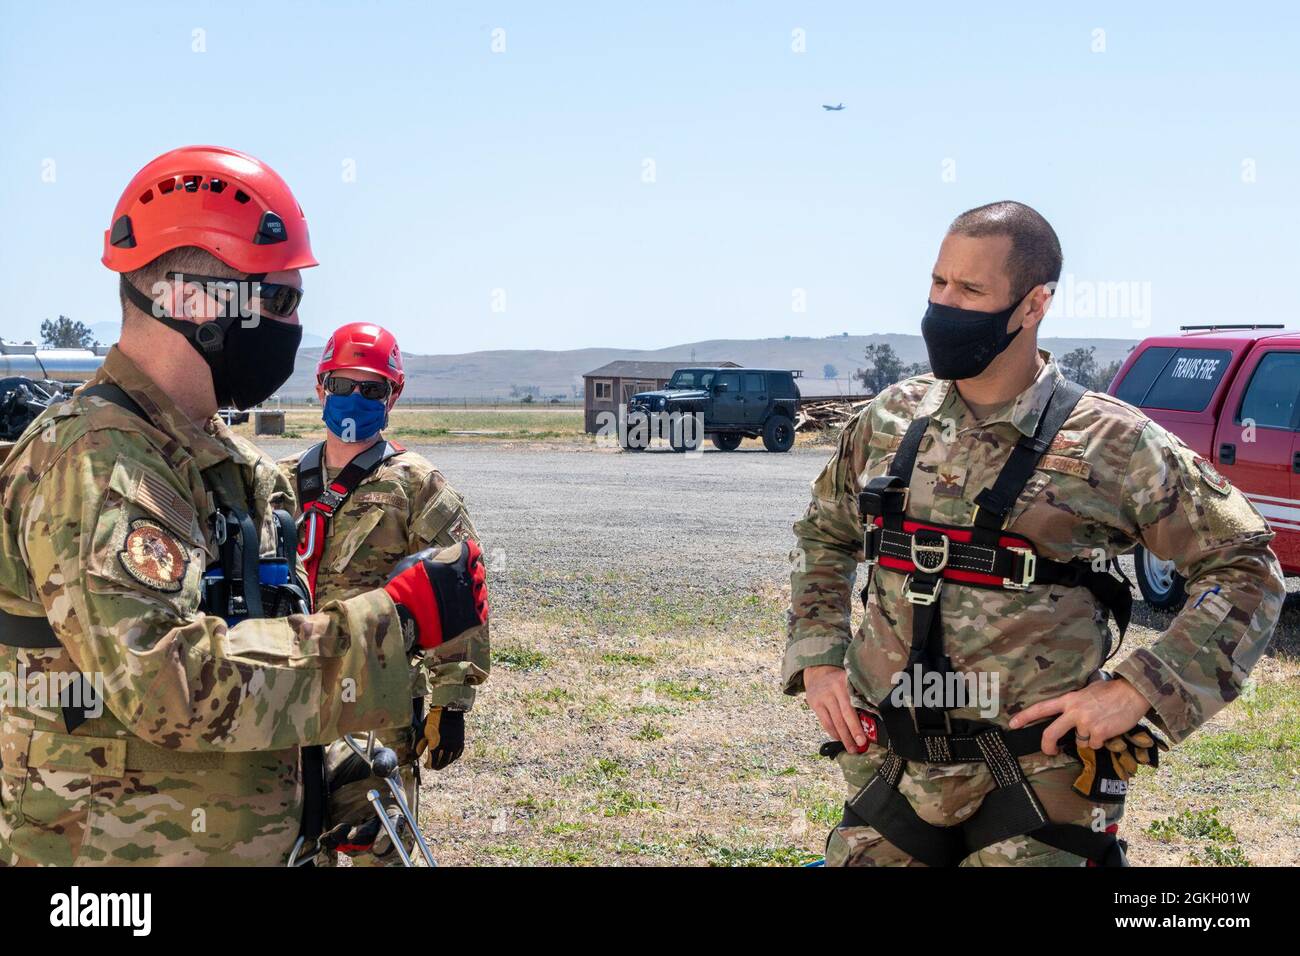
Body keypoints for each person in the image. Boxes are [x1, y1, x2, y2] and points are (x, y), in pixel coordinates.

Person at [0, 146, 487, 866]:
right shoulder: (96, 462)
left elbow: (257, 653)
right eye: (280, 301)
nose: (292, 326)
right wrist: (396, 621)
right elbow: (165, 681)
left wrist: (327, 787)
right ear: (192, 301)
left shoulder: (234, 467)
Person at [785, 200, 1284, 866]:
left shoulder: (1113, 442)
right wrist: (819, 657)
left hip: (1039, 773)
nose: (944, 306)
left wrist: (1139, 689)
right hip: (891, 765)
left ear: (1033, 304)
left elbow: (1246, 566)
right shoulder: (891, 418)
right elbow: (825, 535)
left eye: (970, 290)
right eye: (938, 284)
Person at [278, 322, 490, 864]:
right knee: (294, 846)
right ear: (320, 386)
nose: (355, 398)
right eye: (344, 384)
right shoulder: (278, 482)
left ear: (393, 395)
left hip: (378, 704)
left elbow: (458, 591)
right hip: (288, 698)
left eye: (372, 388)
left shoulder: (416, 483)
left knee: (378, 847)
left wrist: (452, 699)